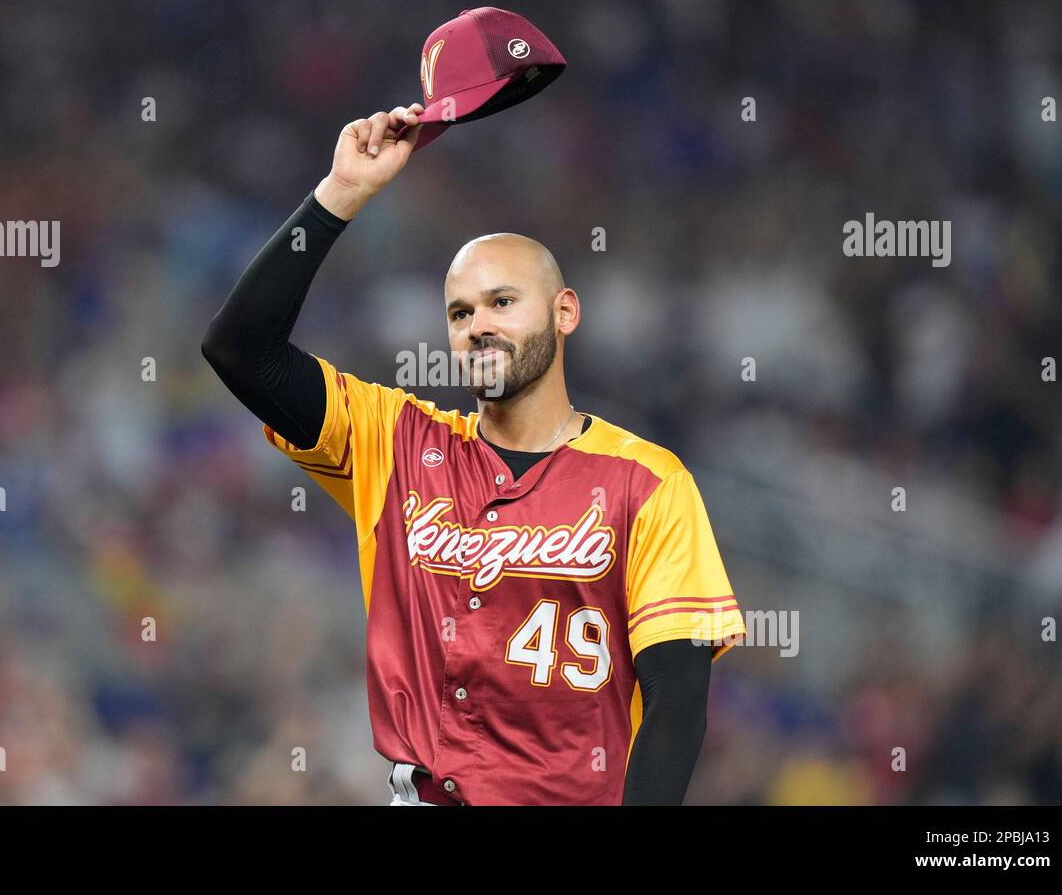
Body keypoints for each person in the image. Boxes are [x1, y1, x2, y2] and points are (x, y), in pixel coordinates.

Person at [202, 104, 746, 805]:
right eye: (460, 313)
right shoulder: (395, 443)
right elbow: (239, 350)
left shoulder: (647, 481)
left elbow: (676, 701)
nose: (478, 326)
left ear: (564, 313)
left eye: (502, 302)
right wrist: (341, 194)